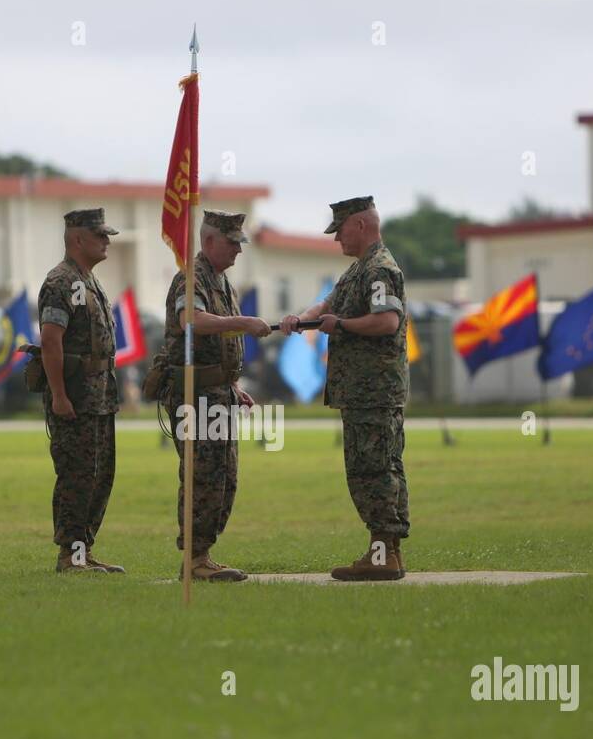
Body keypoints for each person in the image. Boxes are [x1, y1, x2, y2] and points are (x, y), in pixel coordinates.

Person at [280, 196, 409, 581]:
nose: (337, 240)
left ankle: (384, 554)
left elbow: (386, 321)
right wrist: (299, 320)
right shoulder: (358, 271)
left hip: (374, 390)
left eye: (340, 231)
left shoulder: (380, 269)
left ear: (360, 225)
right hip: (359, 391)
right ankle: (386, 553)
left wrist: (343, 326)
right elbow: (327, 304)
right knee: (371, 467)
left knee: (375, 469)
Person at [163, 210, 271, 581]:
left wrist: (232, 387)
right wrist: (244, 323)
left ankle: (203, 554)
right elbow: (191, 320)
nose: (238, 252)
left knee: (225, 476)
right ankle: (194, 560)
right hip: (195, 396)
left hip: (217, 393)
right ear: (209, 242)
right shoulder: (191, 279)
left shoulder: (223, 284)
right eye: (232, 244)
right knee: (202, 474)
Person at [37, 208, 126, 574]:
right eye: (99, 234)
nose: (107, 241)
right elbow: (50, 341)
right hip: (75, 397)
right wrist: (59, 395)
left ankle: (83, 552)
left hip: (99, 396)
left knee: (100, 474)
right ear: (77, 239)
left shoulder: (88, 280)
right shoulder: (61, 282)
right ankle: (70, 557)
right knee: (76, 475)